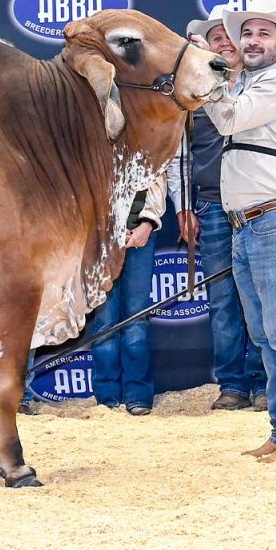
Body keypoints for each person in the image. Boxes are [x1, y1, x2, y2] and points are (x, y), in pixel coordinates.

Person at [199, 0, 276, 462]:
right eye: (247, 33)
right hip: (248, 223)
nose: (252, 41)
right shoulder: (249, 84)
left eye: (263, 34)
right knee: (267, 337)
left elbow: (228, 117)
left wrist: (207, 75)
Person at [174, 5, 267, 411]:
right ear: (207, 47)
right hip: (212, 204)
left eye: (230, 37)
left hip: (257, 205)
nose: (225, 44)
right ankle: (233, 385)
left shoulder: (261, 85)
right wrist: (184, 206)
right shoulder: (193, 95)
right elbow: (180, 155)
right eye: (216, 39)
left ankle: (264, 383)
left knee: (261, 297)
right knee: (223, 299)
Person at [88, 177, 167, 416]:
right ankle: (107, 397)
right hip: (100, 236)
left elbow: (157, 179)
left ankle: (138, 394)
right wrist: (106, 229)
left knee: (136, 317)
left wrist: (147, 224)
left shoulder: (144, 150)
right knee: (104, 320)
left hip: (140, 234)